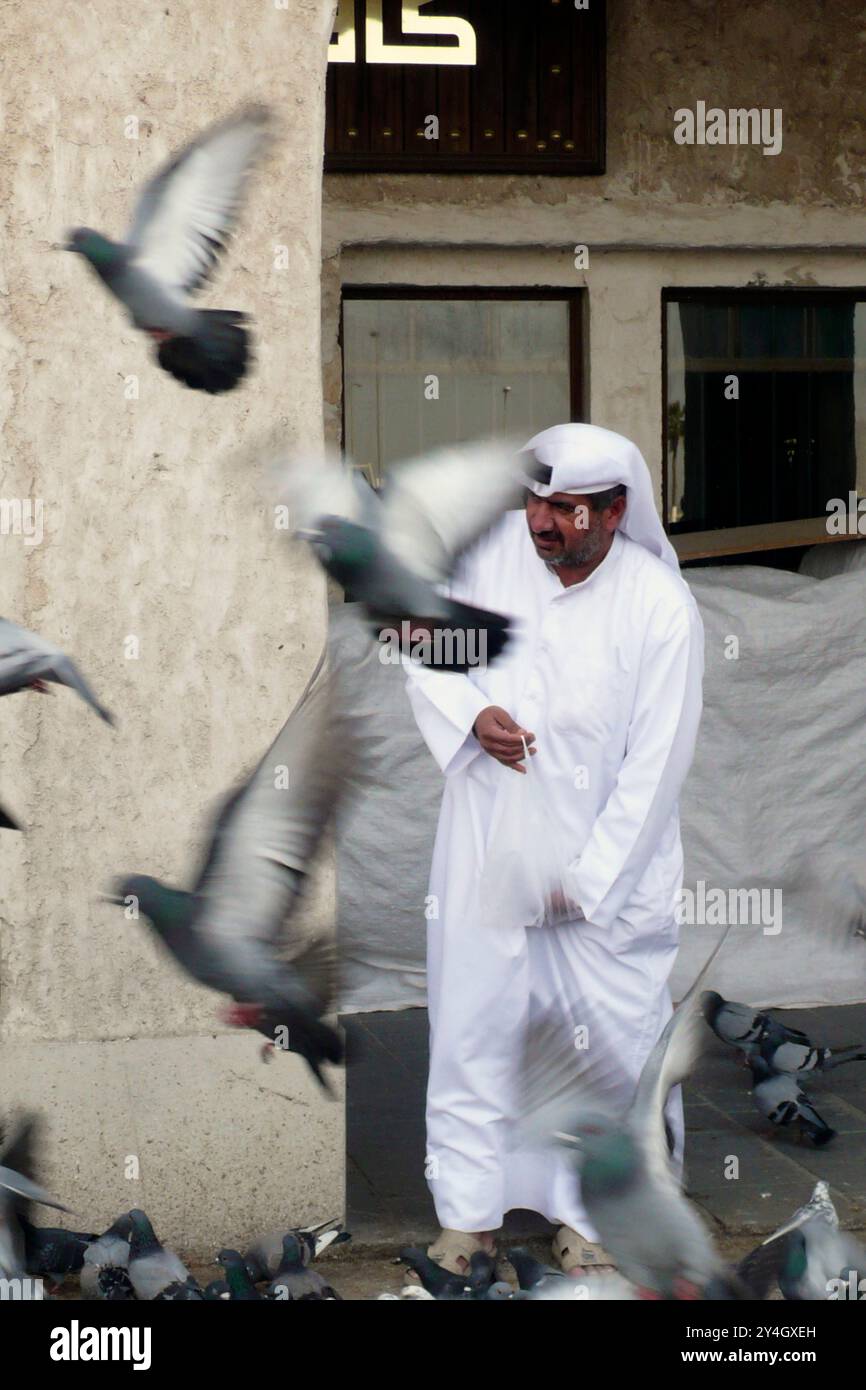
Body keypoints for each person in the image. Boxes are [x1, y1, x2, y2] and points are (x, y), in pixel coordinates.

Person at [404, 423, 705, 1276]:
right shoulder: (492, 556)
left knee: (603, 1049)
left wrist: (587, 880)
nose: (542, 523)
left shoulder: (659, 608)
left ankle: (596, 1220)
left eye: (567, 510)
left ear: (616, 513)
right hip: (487, 851)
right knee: (474, 1030)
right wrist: (472, 716)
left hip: (605, 878)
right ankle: (468, 1218)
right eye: (536, 502)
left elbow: (657, 770)